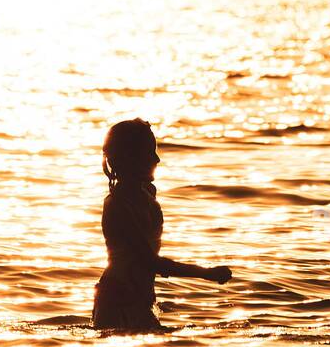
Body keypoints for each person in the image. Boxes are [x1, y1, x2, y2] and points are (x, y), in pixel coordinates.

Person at [92, 119, 232, 330]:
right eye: (149, 152)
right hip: (118, 299)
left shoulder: (147, 193)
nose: (157, 159)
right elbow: (149, 261)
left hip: (141, 297)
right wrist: (206, 273)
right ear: (130, 158)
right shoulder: (117, 205)